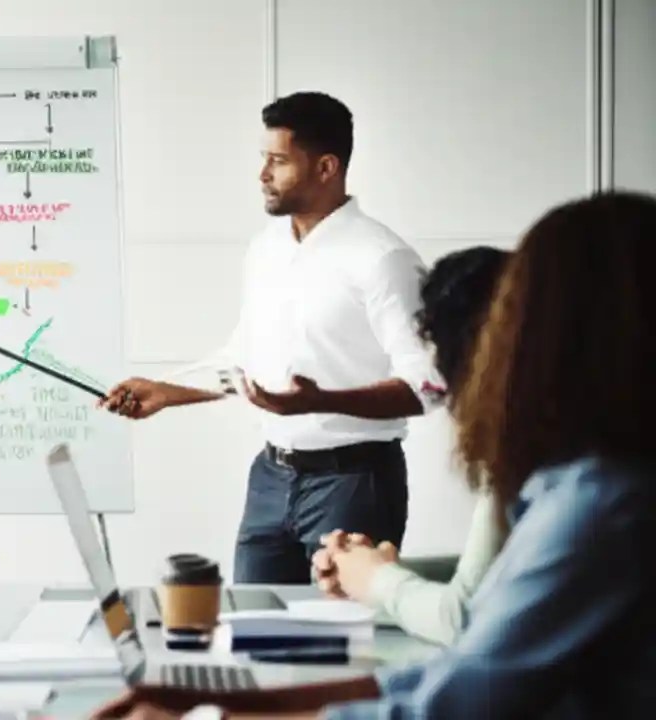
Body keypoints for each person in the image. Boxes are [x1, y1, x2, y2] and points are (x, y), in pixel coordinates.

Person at [92, 191, 656, 719]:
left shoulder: (603, 501)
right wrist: (211, 700)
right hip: (276, 473)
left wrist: (221, 711)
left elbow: (454, 697)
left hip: (348, 473)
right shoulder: (580, 486)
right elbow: (450, 669)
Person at [101, 92, 445, 583]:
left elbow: (431, 386)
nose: (262, 174)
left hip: (354, 483)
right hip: (270, 478)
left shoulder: (383, 259)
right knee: (252, 633)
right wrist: (166, 392)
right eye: (263, 159)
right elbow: (247, 360)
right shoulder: (266, 250)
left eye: (278, 161)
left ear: (326, 167)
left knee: (338, 648)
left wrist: (321, 401)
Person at [311, 247, 511, 646]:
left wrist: (378, 579)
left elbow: (464, 618)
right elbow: (496, 573)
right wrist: (375, 572)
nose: (438, 383)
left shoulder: (546, 461)